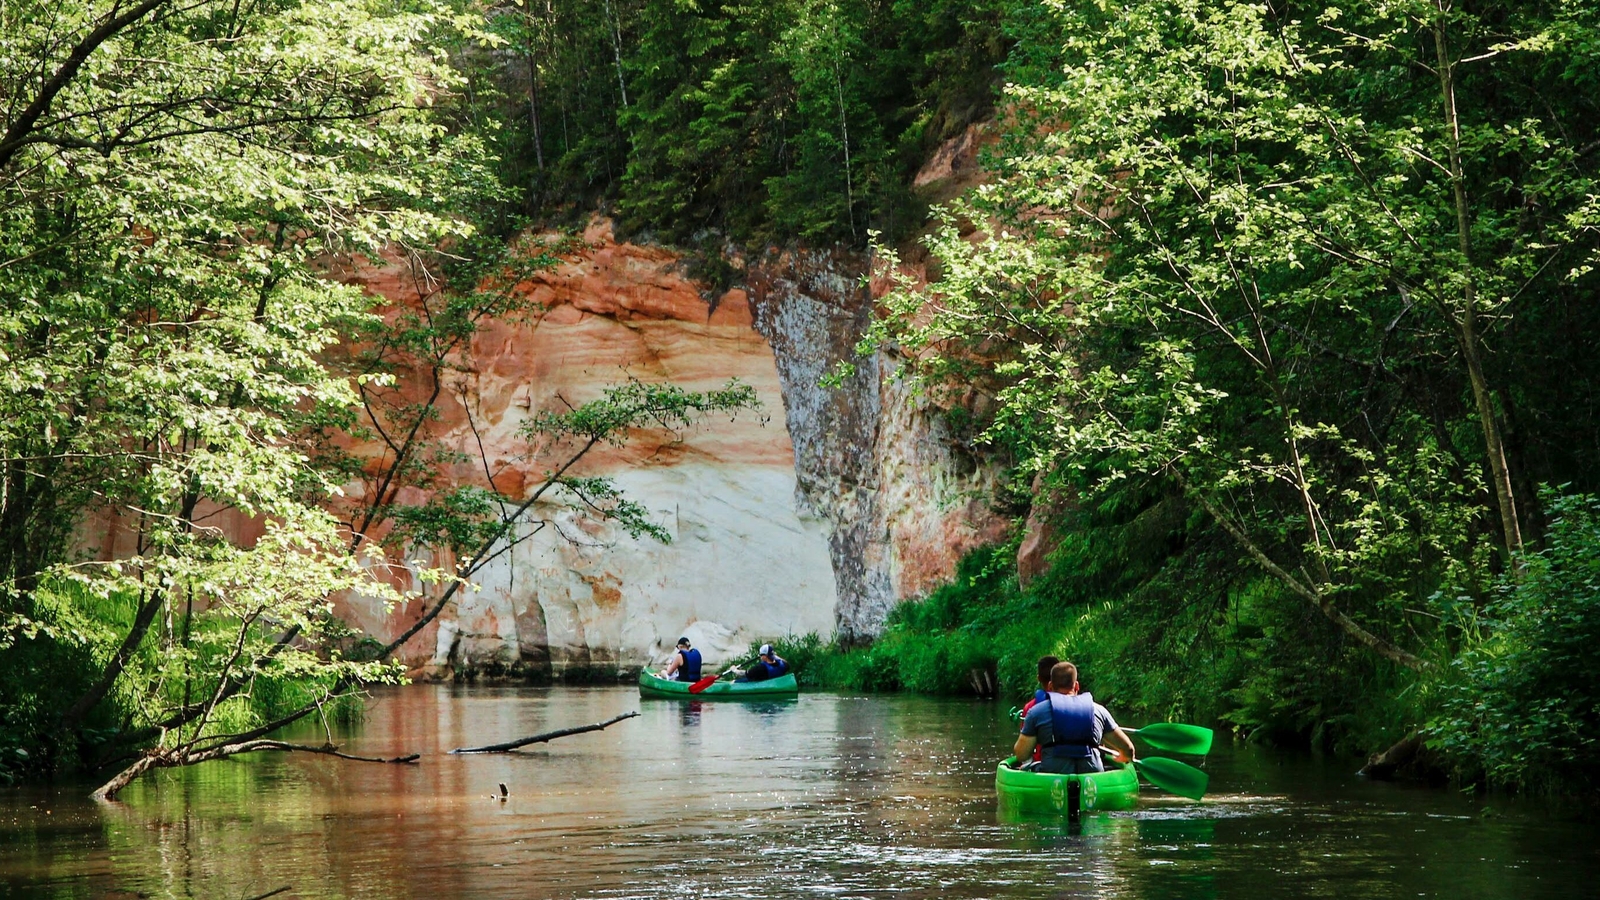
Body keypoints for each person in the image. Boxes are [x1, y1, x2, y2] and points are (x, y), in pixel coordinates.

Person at [1012, 661, 1136, 774]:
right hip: (1092, 775)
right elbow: (1128, 749)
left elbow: (1022, 755)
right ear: (1076, 686)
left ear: (1050, 686)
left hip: (1052, 775)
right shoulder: (1099, 710)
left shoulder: (1035, 712)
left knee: (1028, 767)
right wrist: (1124, 757)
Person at [1017, 655, 1059, 764]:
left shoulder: (1031, 708)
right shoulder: (1078, 705)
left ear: (1038, 678)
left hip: (1043, 763)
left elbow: (1023, 752)